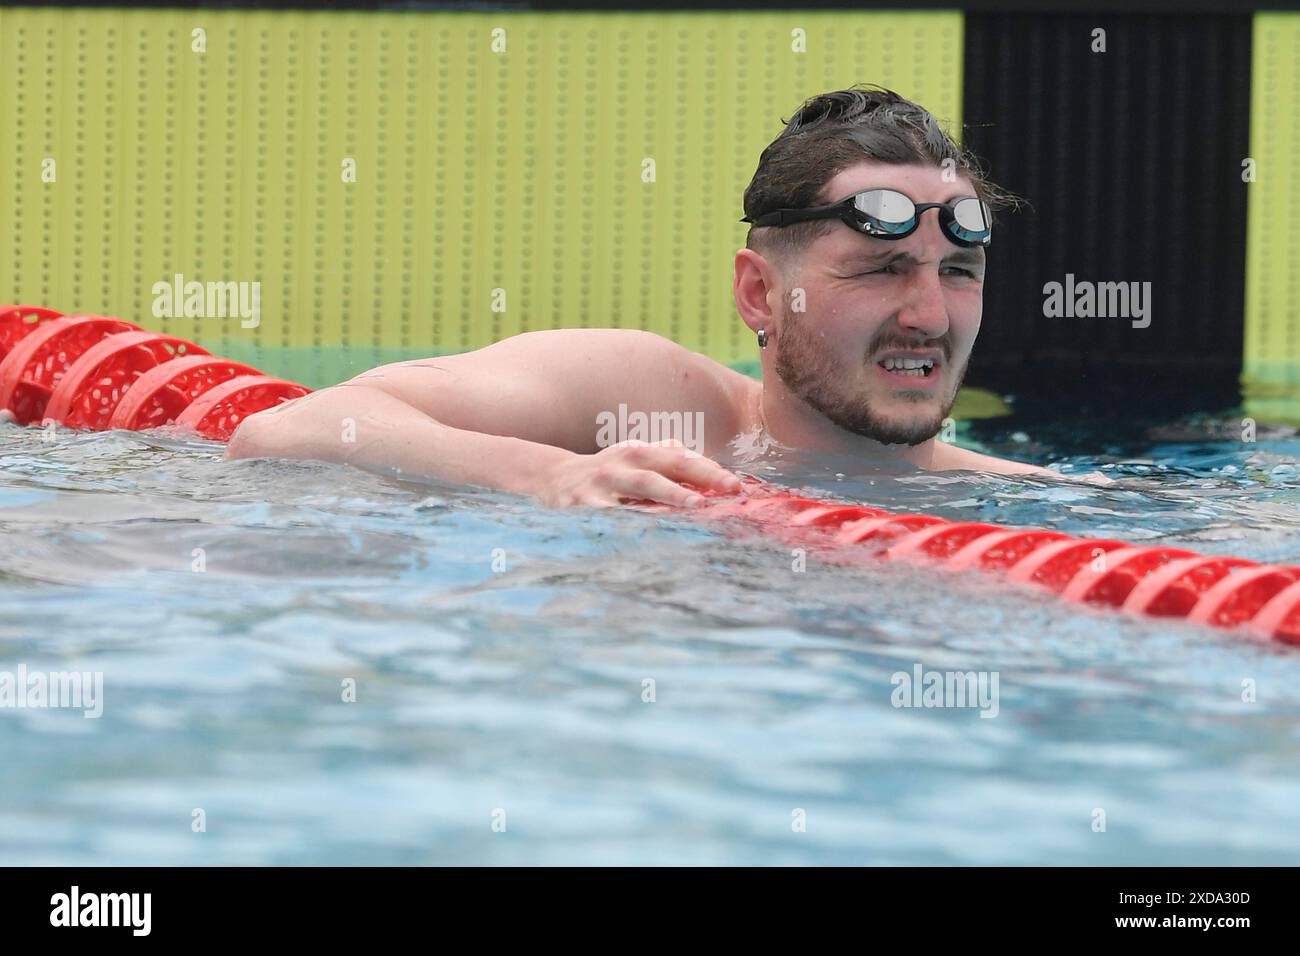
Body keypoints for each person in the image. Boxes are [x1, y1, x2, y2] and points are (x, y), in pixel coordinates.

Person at [227, 85, 1065, 508]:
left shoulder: (1020, 500)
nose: (928, 314)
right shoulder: (654, 404)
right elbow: (288, 428)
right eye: (882, 269)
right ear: (759, 295)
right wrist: (551, 475)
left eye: (957, 271)